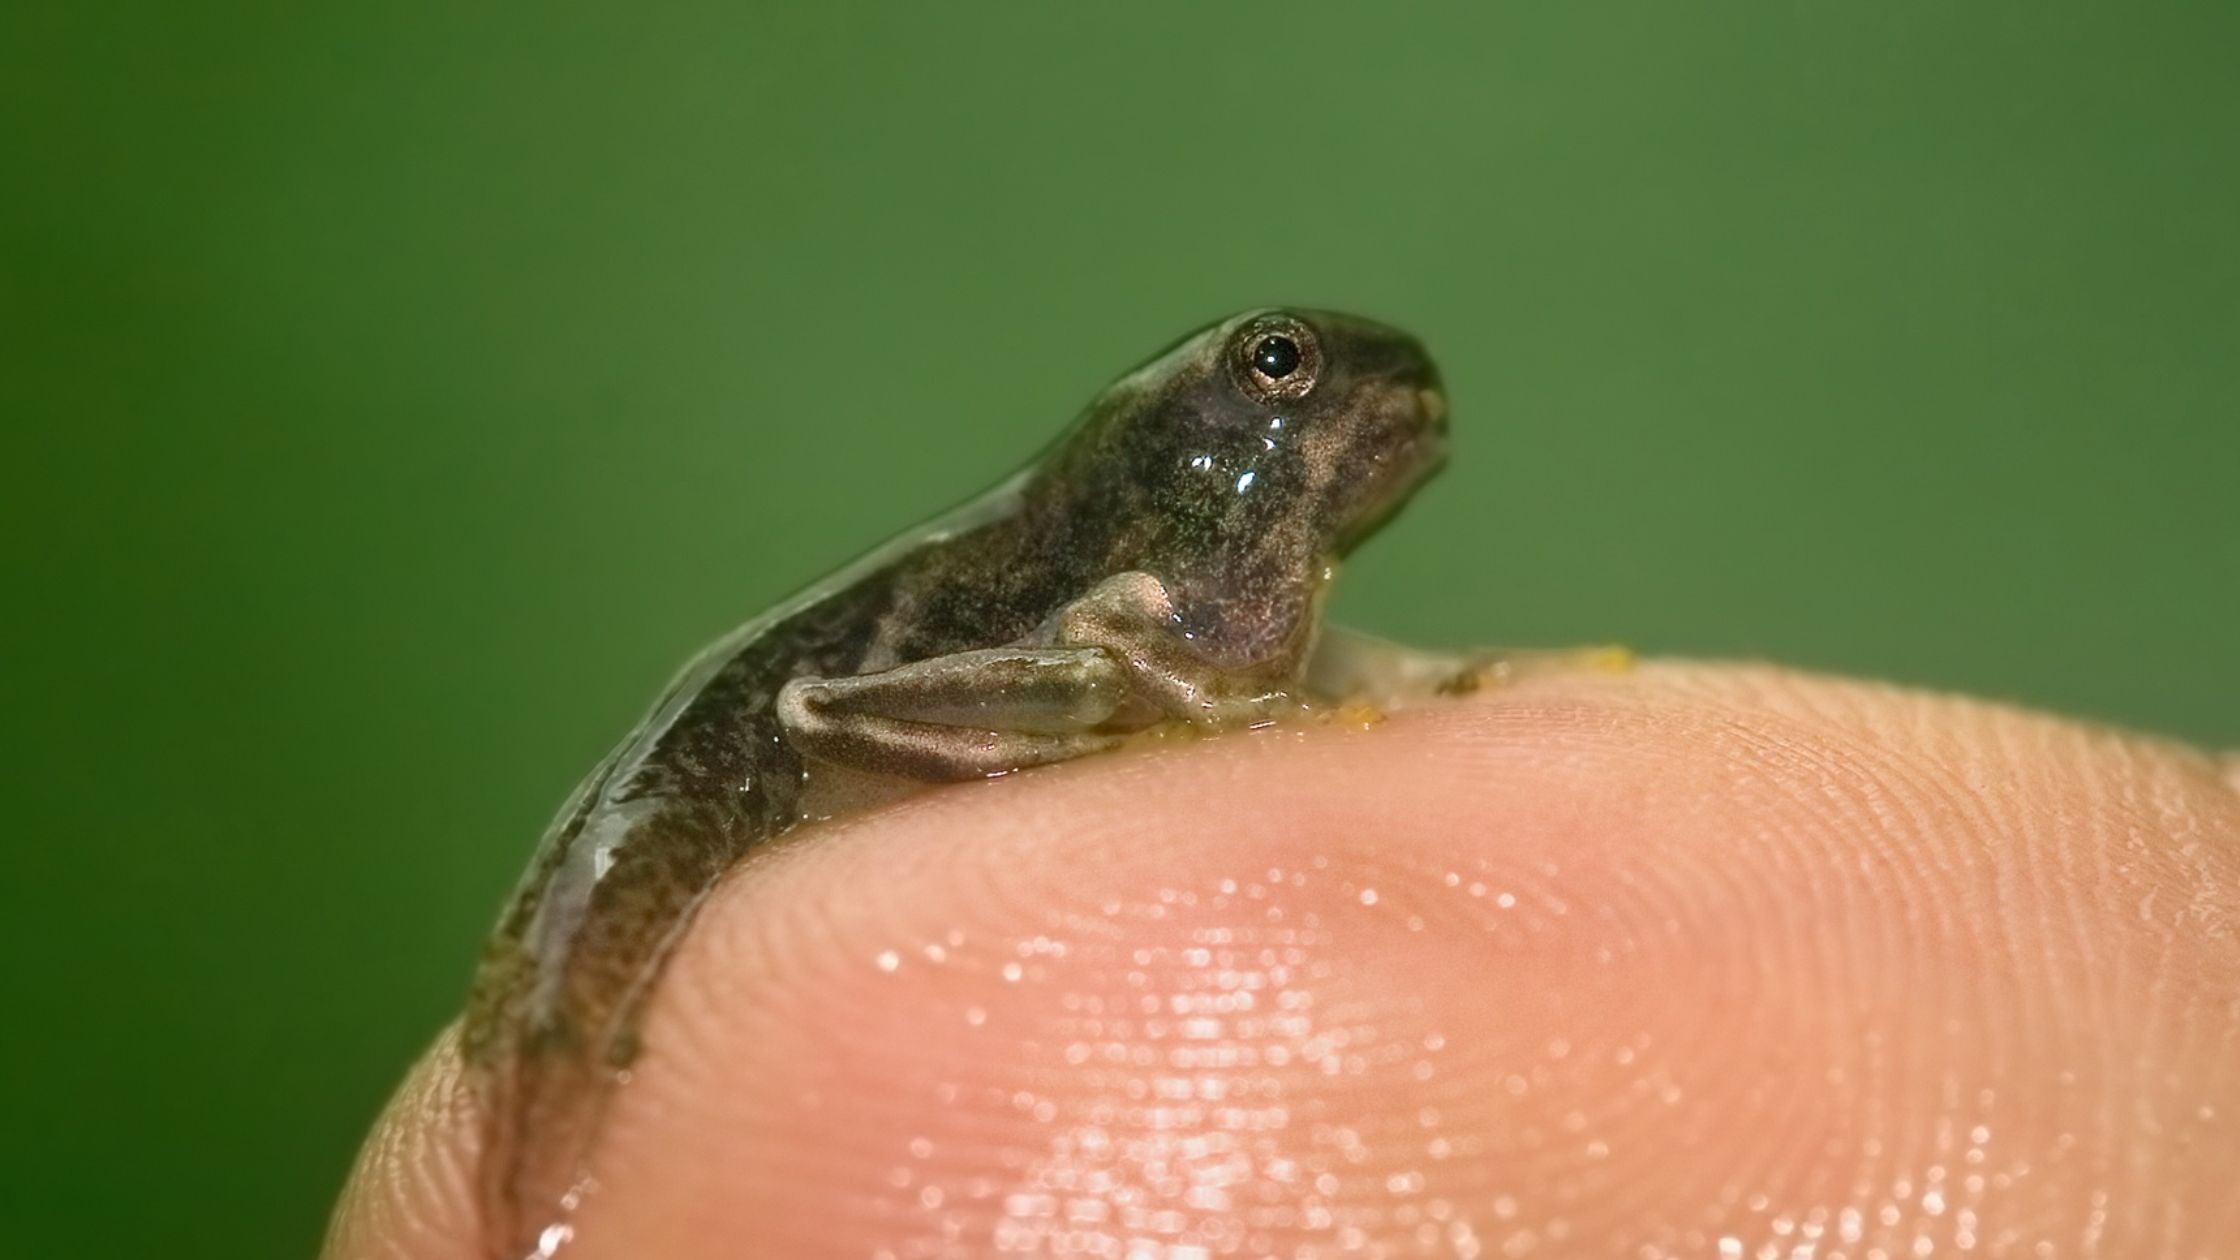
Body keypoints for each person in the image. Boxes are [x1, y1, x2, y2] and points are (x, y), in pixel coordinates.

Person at [324, 661, 2240, 1258]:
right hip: (740, 777)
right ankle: (541, 1127)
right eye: (1273, 375)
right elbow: (840, 699)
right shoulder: (1103, 582)